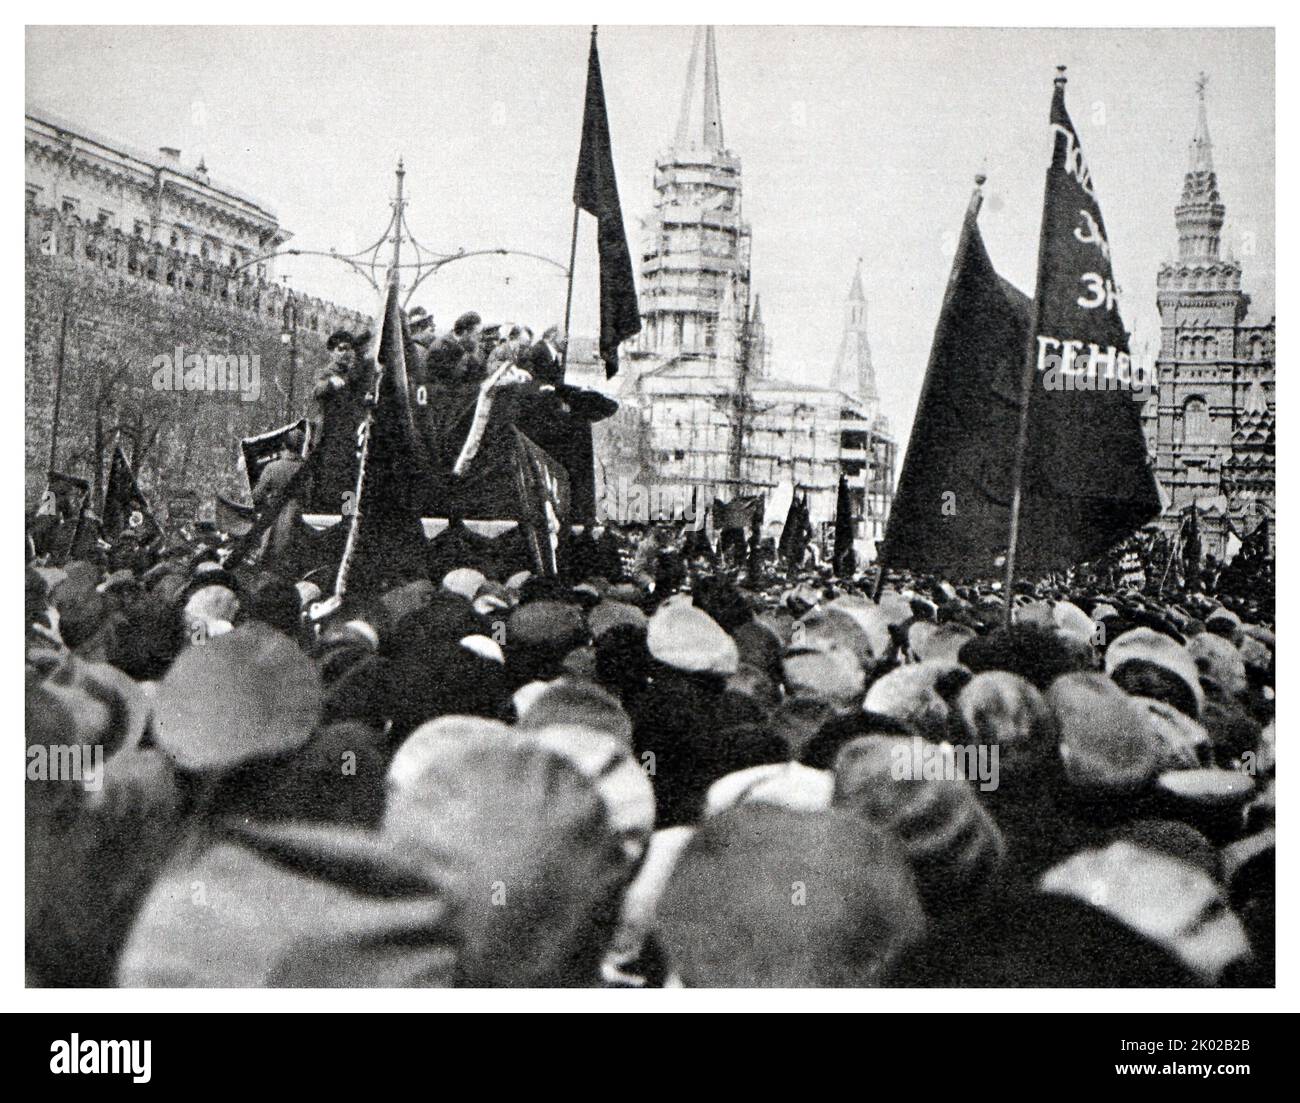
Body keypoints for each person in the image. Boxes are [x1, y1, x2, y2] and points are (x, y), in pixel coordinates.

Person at [426, 311, 485, 385]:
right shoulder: (440, 349)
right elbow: (439, 384)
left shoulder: (471, 347)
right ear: (465, 332)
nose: (480, 337)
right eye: (477, 334)